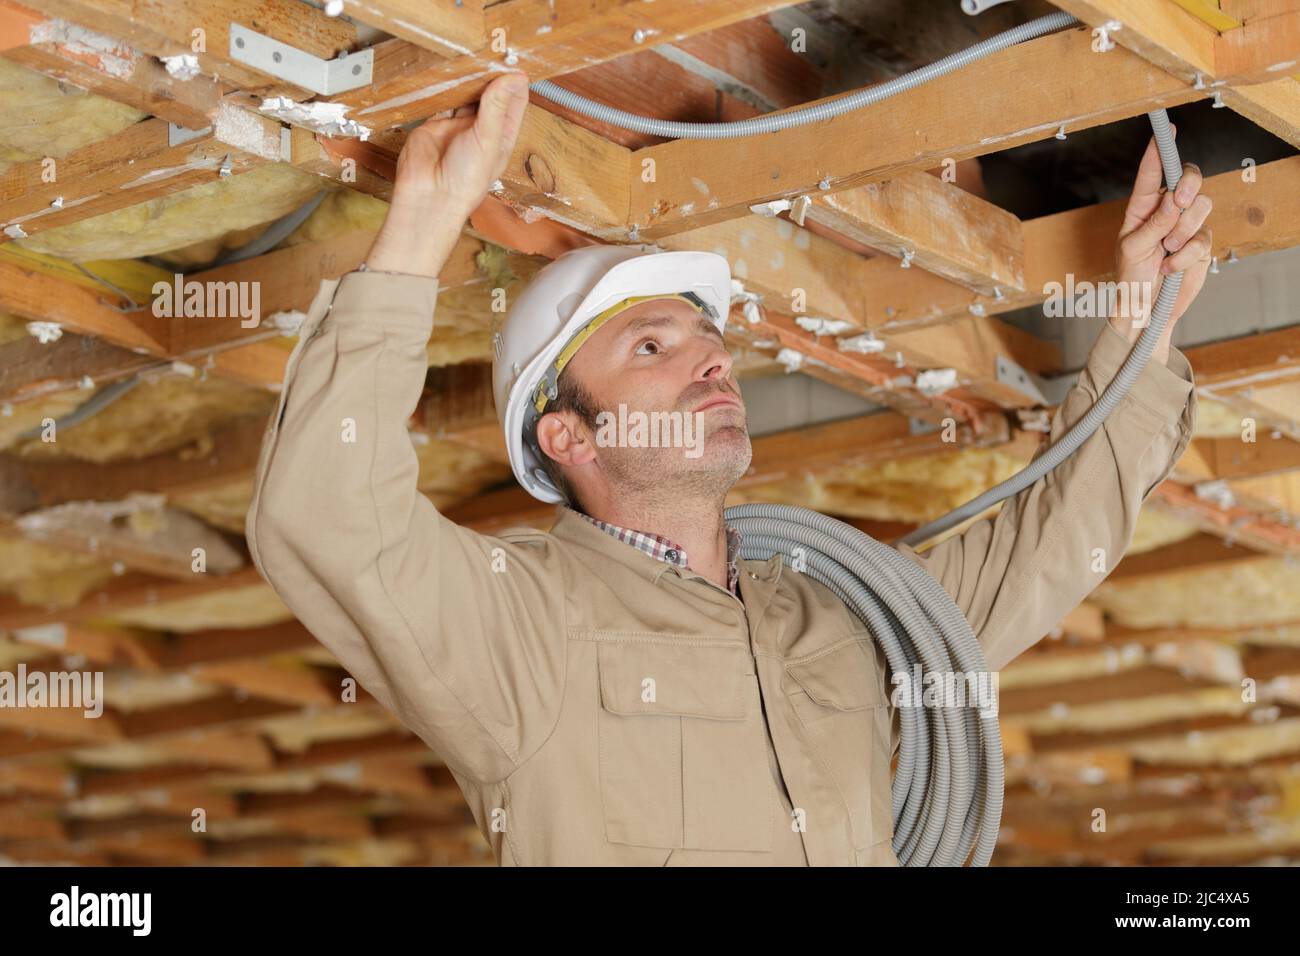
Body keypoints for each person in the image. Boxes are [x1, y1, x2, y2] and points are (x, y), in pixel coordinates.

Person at [247, 72, 1210, 865]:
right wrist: (424, 220)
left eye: (708, 340)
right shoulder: (522, 632)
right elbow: (328, 516)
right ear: (568, 437)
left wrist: (1140, 326)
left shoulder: (844, 618)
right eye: (654, 348)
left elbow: (1048, 548)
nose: (713, 358)